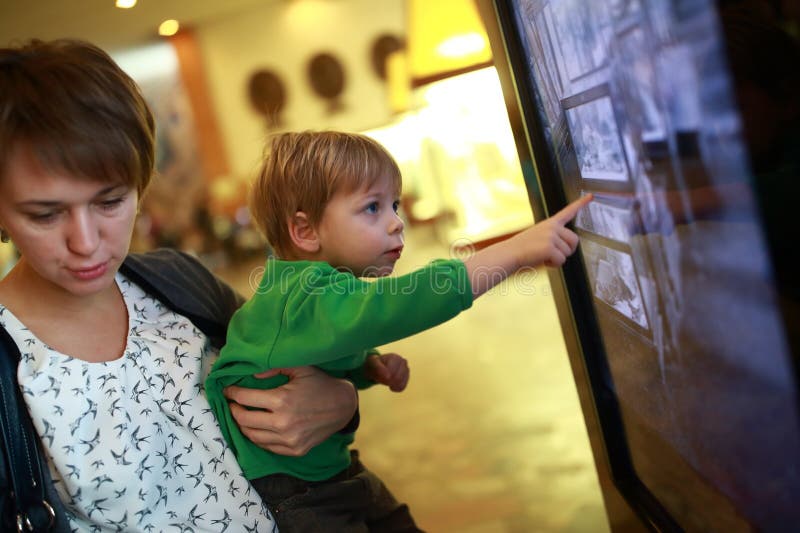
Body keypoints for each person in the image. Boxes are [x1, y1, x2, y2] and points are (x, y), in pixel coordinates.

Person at [0, 39, 360, 532]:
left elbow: (302, 366)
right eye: (45, 214)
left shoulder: (177, 282)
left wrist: (342, 401)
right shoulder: (8, 359)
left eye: (110, 202)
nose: (85, 243)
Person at [205, 131, 592, 531]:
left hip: (327, 472)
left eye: (394, 205)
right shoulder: (303, 295)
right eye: (372, 208)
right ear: (306, 232)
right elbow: (397, 305)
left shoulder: (306, 291)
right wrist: (515, 250)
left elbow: (313, 350)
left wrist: (367, 366)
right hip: (297, 493)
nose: (396, 224)